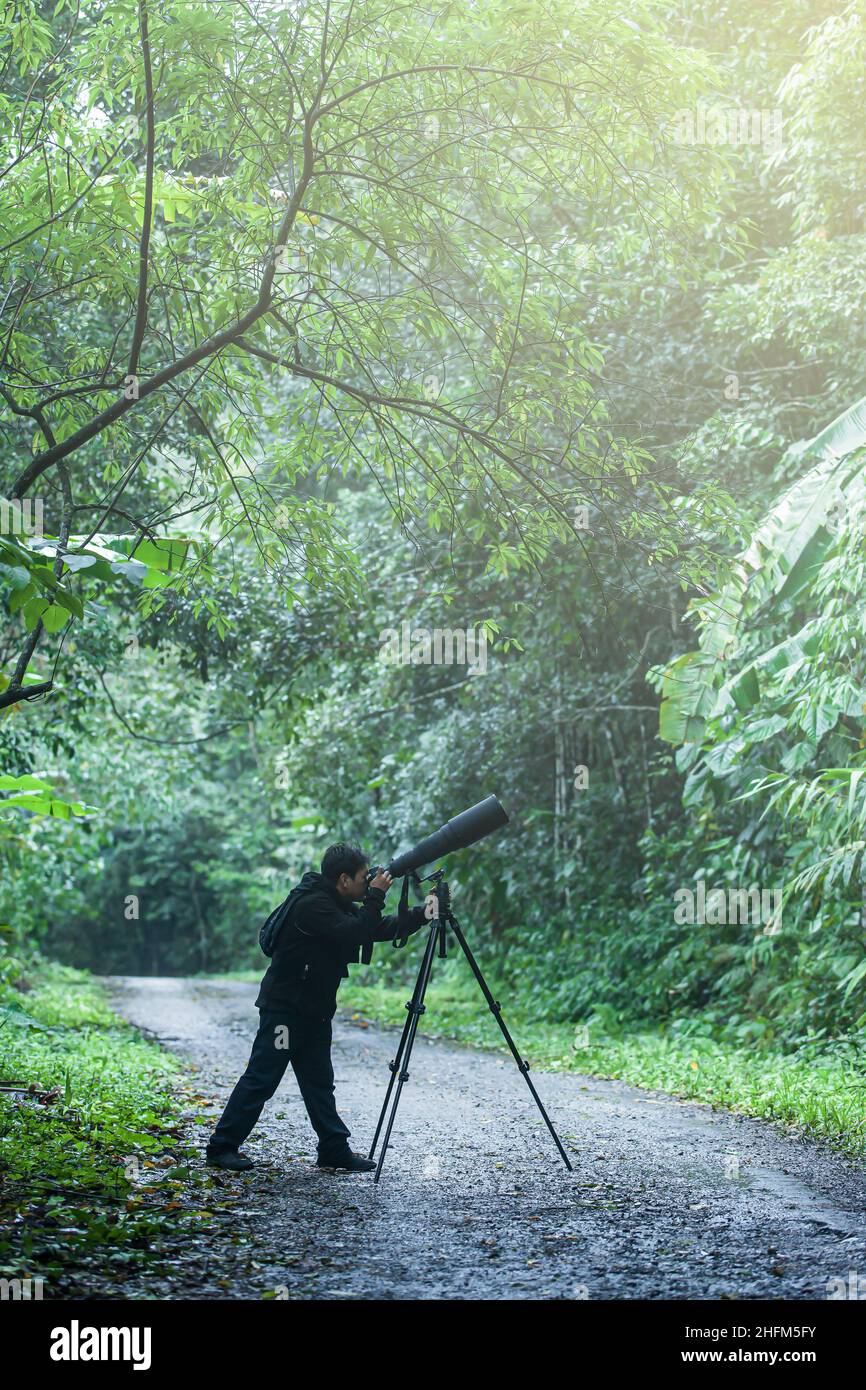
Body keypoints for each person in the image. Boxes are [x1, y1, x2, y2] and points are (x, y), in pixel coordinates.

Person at [205, 842, 427, 1173]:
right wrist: (376, 897)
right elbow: (355, 931)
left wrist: (423, 914)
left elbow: (375, 929)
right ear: (343, 879)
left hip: (313, 1010)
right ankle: (221, 1147)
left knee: (319, 1082)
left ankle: (333, 1149)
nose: (368, 882)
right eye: (364, 877)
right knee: (262, 1078)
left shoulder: (335, 902)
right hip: (285, 1012)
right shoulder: (312, 905)